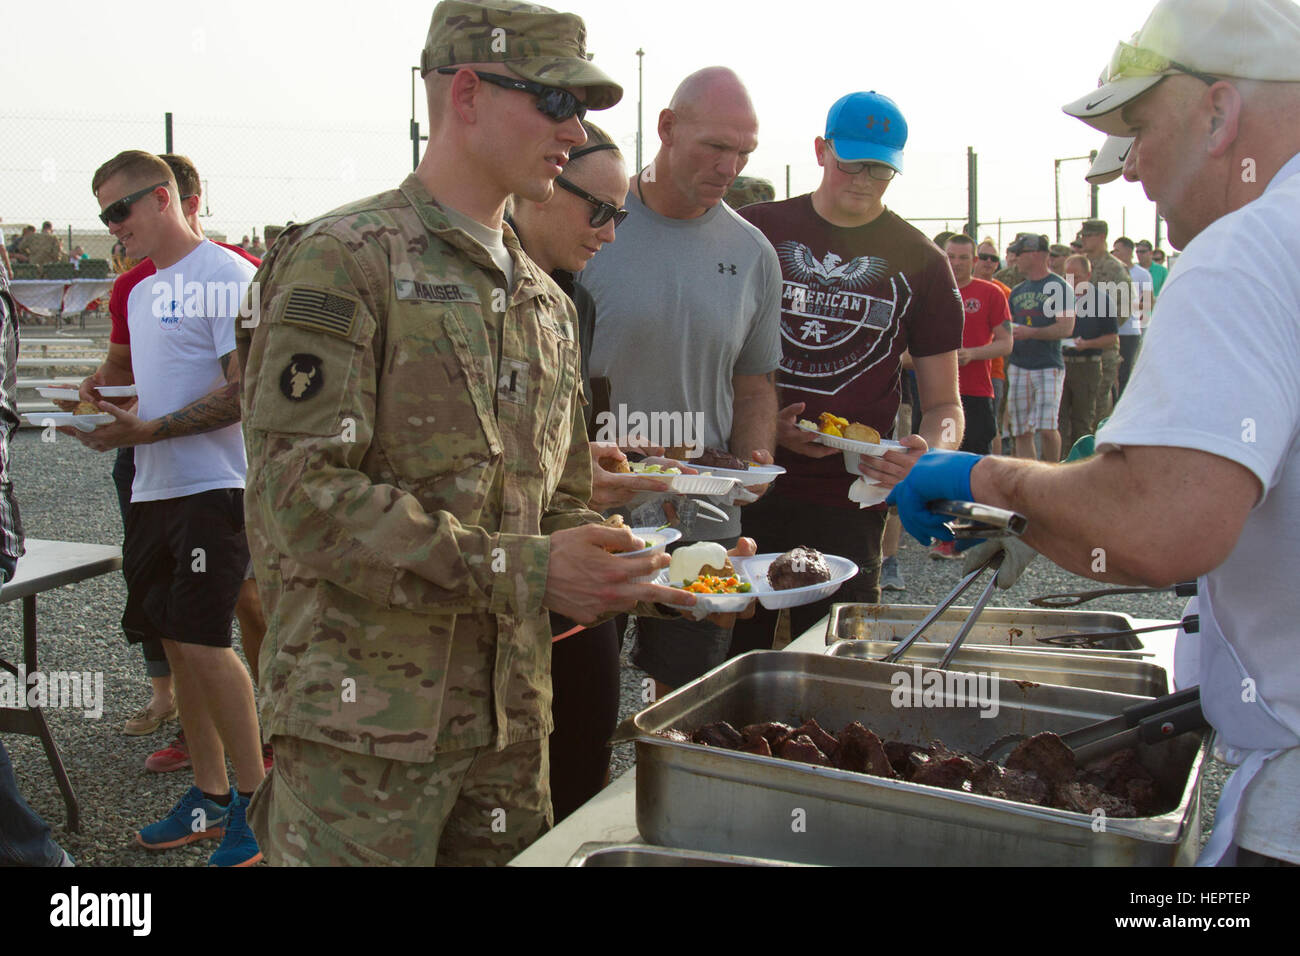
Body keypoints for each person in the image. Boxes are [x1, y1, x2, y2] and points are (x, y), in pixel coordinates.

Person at [237, 0, 733, 866]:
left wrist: (656, 569)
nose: (575, 130)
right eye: (553, 102)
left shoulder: (544, 301)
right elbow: (300, 500)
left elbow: (558, 503)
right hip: (366, 739)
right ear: (466, 93)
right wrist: (533, 567)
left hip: (509, 729)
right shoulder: (347, 258)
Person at [891, 0, 1300, 867]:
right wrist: (1074, 502)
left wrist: (988, 481)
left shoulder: (1247, 251)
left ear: (1221, 114)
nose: (1126, 169)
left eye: (1141, 127)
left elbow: (1162, 529)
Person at [76, 149, 263, 866]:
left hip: (212, 489)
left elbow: (245, 390)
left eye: (116, 210)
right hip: (155, 487)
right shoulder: (147, 289)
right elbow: (137, 377)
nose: (110, 226)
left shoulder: (228, 276)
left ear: (162, 200)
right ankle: (212, 797)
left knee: (209, 645)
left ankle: (255, 805)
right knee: (181, 644)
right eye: (102, 214)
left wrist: (149, 429)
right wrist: (98, 402)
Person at [730, 89, 963, 644]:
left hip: (850, 498)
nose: (863, 180)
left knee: (837, 655)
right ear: (820, 151)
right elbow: (701, 358)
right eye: (851, 164)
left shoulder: (923, 261)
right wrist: (763, 426)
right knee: (727, 652)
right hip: (748, 483)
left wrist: (926, 455)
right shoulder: (752, 231)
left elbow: (947, 406)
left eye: (880, 170)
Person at [579, 66, 781, 694]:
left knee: (690, 695)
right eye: (716, 146)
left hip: (703, 511)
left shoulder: (754, 254)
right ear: (666, 128)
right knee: (582, 698)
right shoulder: (590, 225)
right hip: (592, 509)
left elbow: (754, 383)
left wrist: (753, 460)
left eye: (744, 152)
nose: (731, 166)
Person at [507, 119, 669, 821]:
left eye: (621, 215)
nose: (609, 232)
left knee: (579, 776)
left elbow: (555, 440)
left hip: (571, 587)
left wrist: (591, 468)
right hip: (489, 598)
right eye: (597, 210)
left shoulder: (576, 300)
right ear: (540, 181)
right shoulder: (447, 283)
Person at [1004, 233, 1074, 462]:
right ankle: (1029, 477)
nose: (1014, 259)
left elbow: (1066, 328)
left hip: (1047, 365)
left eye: (1018, 253)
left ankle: (1052, 475)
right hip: (1019, 365)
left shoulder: (1058, 287)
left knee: (1047, 426)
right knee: (1021, 429)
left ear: (1035, 254)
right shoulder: (1017, 291)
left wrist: (1030, 332)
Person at [947, 233, 1011, 457]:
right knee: (935, 460)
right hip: (936, 393)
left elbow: (1006, 343)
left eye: (963, 258)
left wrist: (972, 354)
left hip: (976, 391)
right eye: (951, 257)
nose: (956, 263)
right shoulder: (930, 290)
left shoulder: (991, 293)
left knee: (975, 461)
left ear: (974, 261)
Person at [1056, 254, 1118, 452]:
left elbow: (1111, 338)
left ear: (1088, 275)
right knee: (1058, 420)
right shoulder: (1057, 299)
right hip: (1060, 363)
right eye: (1068, 276)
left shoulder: (1101, 300)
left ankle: (1081, 462)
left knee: (1083, 421)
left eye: (1077, 276)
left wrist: (1088, 343)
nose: (1072, 281)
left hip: (1087, 365)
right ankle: (1059, 465)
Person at [1077, 218, 1132, 420]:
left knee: (1097, 407)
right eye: (1082, 235)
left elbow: (1123, 309)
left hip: (1103, 350)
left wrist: (1096, 329)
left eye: (1087, 236)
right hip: (1075, 348)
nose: (1083, 239)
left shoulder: (1116, 269)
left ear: (1101, 237)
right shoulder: (1078, 264)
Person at [1111, 235, 1152, 398]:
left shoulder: (1142, 274)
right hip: (1111, 330)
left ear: (1128, 251)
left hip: (1130, 330)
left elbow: (1148, 303)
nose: (1114, 253)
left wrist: (1126, 305)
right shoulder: (1111, 272)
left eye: (1118, 250)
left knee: (1125, 373)